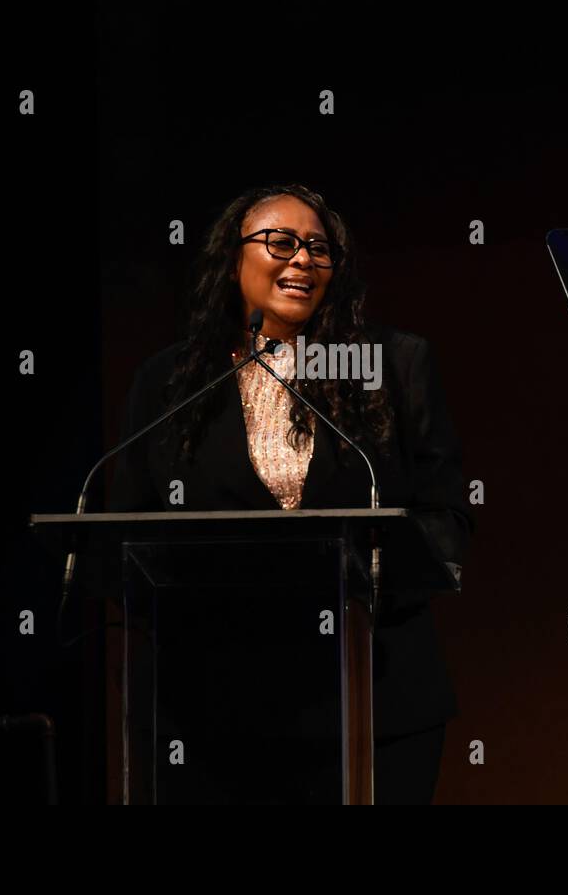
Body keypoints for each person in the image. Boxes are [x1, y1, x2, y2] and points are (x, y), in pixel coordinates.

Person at [106, 183, 471, 803]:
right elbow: (126, 532)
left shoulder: (394, 364)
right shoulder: (171, 382)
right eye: (281, 242)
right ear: (232, 257)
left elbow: (445, 519)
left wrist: (364, 587)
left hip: (372, 698)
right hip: (211, 704)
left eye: (319, 249)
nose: (302, 259)